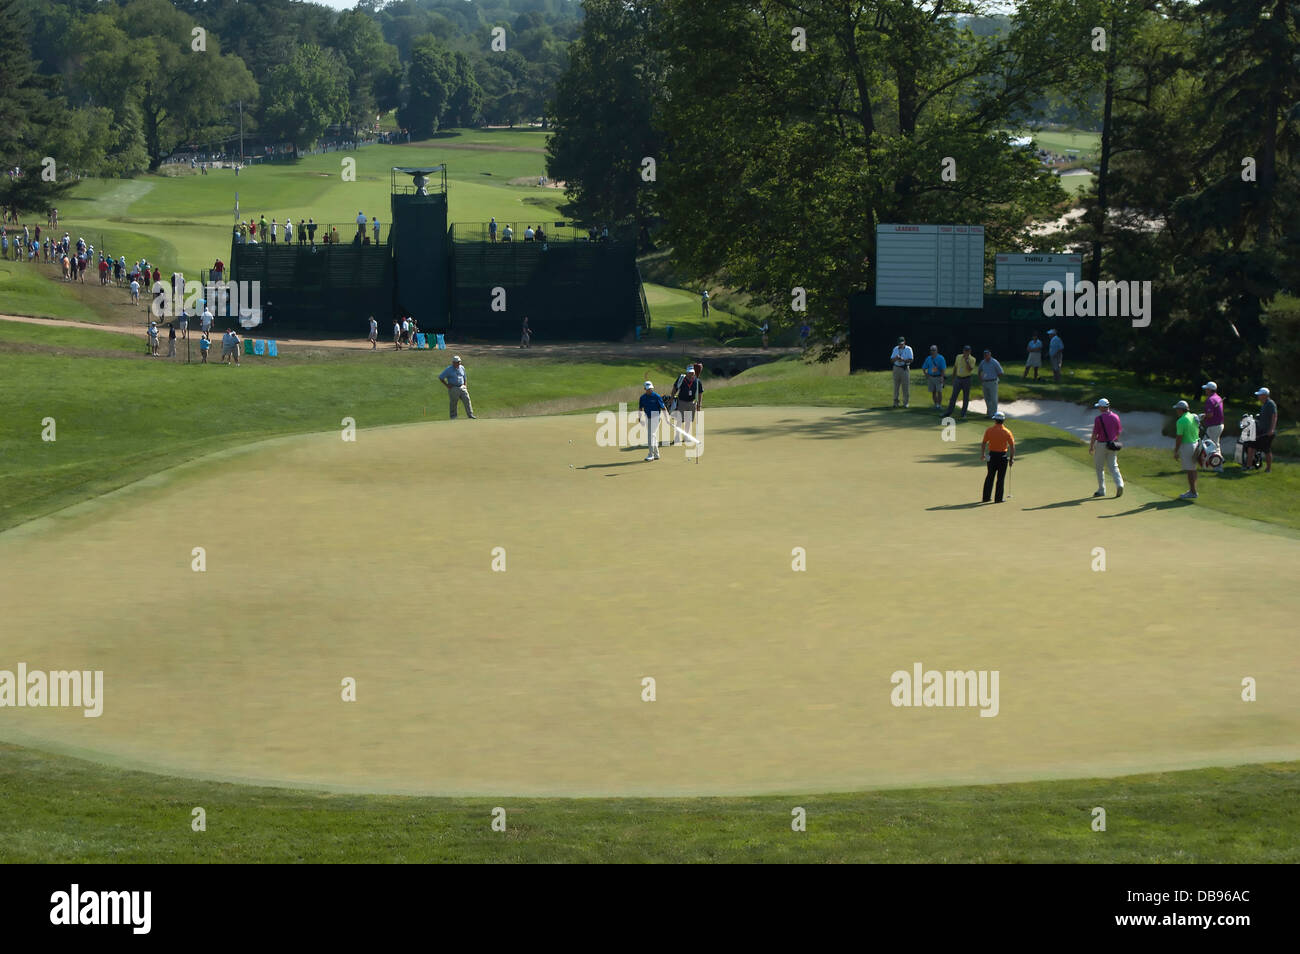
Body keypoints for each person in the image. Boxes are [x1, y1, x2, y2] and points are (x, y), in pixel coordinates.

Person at [1089, 398, 1124, 498]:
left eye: (1099, 407)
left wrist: (1091, 446)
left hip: (1101, 444)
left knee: (1099, 468)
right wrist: (1114, 441)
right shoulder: (1116, 417)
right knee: (1113, 466)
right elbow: (1118, 433)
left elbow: (1095, 434)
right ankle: (1120, 484)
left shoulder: (1098, 419)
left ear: (1101, 407)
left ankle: (1102, 490)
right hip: (1112, 445)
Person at [980, 411, 1015, 503]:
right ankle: (998, 498)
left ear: (995, 420)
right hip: (1002, 457)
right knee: (1000, 478)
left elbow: (984, 443)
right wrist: (1011, 459)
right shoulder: (1007, 432)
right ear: (1003, 421)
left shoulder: (989, 430)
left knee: (990, 476)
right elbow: (1012, 446)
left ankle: (986, 497)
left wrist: (983, 454)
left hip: (992, 456)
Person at [1172, 399, 1200, 499]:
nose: (1176, 411)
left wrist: (1176, 451)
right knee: (1193, 469)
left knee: (1190, 470)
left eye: (1177, 409)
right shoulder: (1193, 416)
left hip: (1188, 446)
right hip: (1196, 444)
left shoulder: (1181, 421)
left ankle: (1193, 492)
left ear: (1181, 410)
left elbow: (1179, 437)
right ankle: (1193, 490)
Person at [670, 364, 703, 445]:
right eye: (689, 372)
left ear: (694, 372)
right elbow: (675, 388)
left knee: (688, 421)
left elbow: (700, 393)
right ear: (686, 372)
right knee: (679, 421)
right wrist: (671, 398)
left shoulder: (697, 380)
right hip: (681, 402)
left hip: (691, 402)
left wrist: (699, 404)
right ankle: (677, 437)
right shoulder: (681, 378)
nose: (691, 374)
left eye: (692, 372)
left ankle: (686, 437)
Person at [945, 345, 978, 419]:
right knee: (953, 396)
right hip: (958, 378)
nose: (966, 352)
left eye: (967, 351)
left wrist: (967, 361)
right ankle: (948, 412)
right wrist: (953, 378)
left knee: (965, 397)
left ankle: (963, 414)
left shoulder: (972, 359)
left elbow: (970, 369)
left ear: (970, 351)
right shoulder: (958, 357)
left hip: (967, 379)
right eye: (965, 350)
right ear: (963, 350)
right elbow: (955, 367)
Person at [639, 381, 667, 461]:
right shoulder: (642, 398)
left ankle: (651, 454)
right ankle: (657, 454)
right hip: (648, 418)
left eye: (650, 389)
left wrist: (666, 418)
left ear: (652, 388)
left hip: (656, 418)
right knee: (653, 436)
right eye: (648, 389)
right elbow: (640, 408)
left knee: (650, 436)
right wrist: (640, 418)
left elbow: (663, 408)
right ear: (645, 389)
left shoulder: (657, 397)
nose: (649, 390)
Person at [1201, 381, 1225, 474]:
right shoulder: (1218, 398)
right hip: (1219, 424)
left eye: (1206, 389)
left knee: (1210, 445)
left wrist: (1203, 416)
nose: (1205, 390)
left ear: (1210, 390)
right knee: (1212, 444)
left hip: (1213, 426)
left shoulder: (1210, 400)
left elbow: (1210, 415)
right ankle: (1219, 460)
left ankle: (1218, 466)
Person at [1255, 387, 1277, 473]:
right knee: (1259, 447)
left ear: (1264, 395)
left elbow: (1274, 416)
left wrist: (1271, 429)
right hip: (1263, 430)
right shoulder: (1264, 404)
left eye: (1259, 395)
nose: (1258, 397)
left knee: (1267, 449)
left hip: (1268, 431)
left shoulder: (1270, 404)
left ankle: (1268, 468)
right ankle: (1255, 464)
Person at [978, 349, 1004, 418]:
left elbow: (1001, 372)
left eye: (987, 354)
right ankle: (989, 413)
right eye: (985, 355)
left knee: (993, 399)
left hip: (993, 382)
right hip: (985, 382)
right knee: (987, 398)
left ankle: (994, 414)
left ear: (990, 355)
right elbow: (979, 370)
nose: (986, 356)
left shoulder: (994, 362)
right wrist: (981, 378)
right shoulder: (982, 362)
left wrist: (994, 377)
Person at [890, 336, 914, 408]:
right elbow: (891, 360)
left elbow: (911, 360)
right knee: (896, 386)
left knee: (905, 386)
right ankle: (895, 402)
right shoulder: (895, 349)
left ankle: (905, 403)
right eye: (899, 344)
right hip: (896, 368)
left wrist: (903, 360)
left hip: (904, 368)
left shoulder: (908, 349)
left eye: (902, 344)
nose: (900, 345)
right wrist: (896, 358)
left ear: (904, 343)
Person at [921, 345, 946, 410]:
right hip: (931, 377)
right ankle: (936, 405)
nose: (932, 351)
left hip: (938, 377)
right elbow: (924, 367)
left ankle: (939, 405)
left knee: (939, 391)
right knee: (933, 392)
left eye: (934, 350)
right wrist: (926, 374)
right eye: (931, 350)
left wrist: (942, 377)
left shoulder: (941, 358)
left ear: (937, 350)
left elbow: (943, 369)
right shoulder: (928, 358)